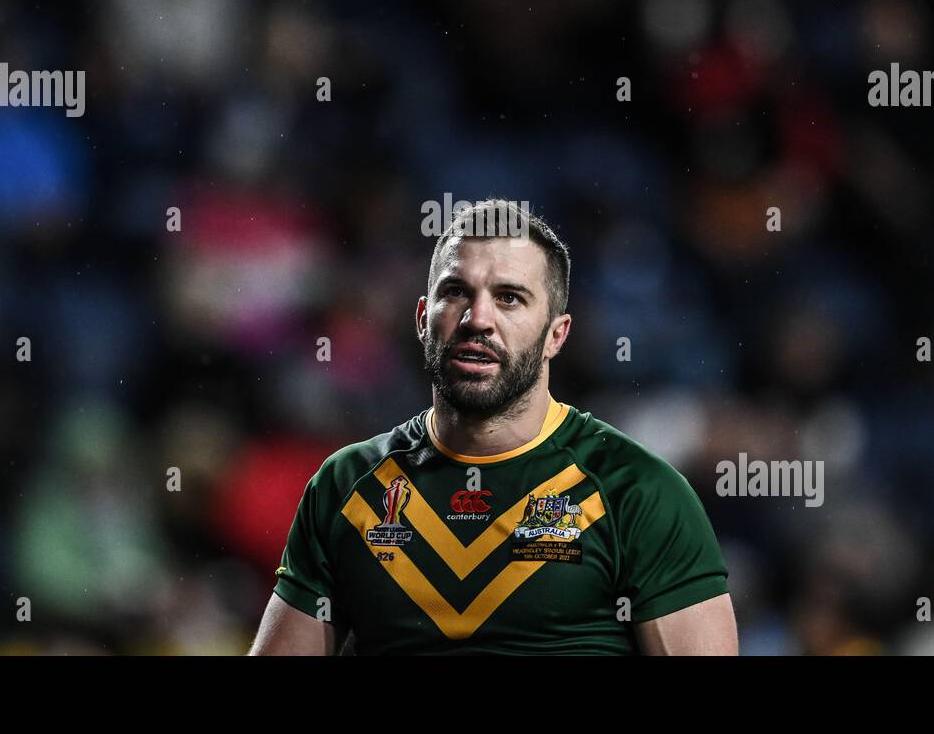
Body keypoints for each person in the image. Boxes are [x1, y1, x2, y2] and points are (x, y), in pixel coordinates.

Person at [250, 198, 737, 654]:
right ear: (423, 318)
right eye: (456, 292)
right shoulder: (346, 486)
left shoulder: (638, 491)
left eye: (509, 298)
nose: (477, 318)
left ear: (555, 335)